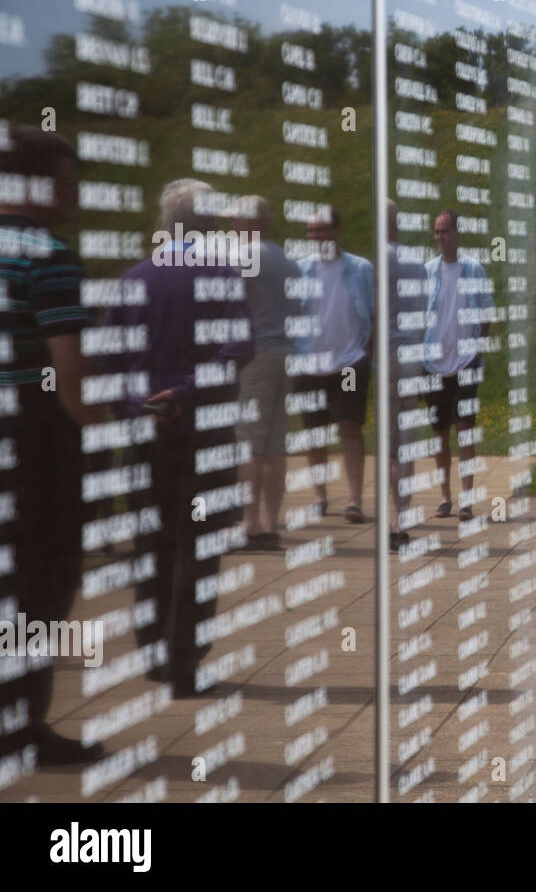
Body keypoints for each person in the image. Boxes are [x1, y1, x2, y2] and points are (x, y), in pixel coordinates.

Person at [107, 178, 252, 698]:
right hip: (202, 431)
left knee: (153, 543)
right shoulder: (221, 276)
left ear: (166, 225)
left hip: (145, 435)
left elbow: (108, 363)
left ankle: (153, 656)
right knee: (196, 545)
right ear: (210, 224)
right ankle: (184, 662)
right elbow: (238, 350)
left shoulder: (132, 279)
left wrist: (141, 406)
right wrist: (184, 395)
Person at [0, 127, 104, 765]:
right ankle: (21, 725)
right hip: (35, 442)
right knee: (42, 583)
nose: (73, 196)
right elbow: (69, 375)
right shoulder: (48, 254)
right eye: (67, 184)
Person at [293, 208, 374, 523]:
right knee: (314, 434)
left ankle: (354, 499)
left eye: (323, 230)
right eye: (312, 231)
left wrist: (365, 351)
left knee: (349, 427)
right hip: (308, 364)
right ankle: (319, 495)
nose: (317, 237)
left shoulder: (360, 269)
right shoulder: (299, 270)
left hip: (350, 364)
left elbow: (375, 313)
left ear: (338, 232)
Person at [231, 196, 297, 550]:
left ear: (247, 223)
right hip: (285, 352)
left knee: (250, 443)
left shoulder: (243, 257)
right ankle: (272, 523)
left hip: (254, 354)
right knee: (274, 443)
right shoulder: (288, 259)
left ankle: (250, 524)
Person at [423, 210, 494, 521]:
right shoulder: (427, 271)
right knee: (439, 434)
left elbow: (486, 314)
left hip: (465, 360)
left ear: (457, 234)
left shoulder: (473, 269)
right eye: (437, 233)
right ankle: (444, 496)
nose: (440, 238)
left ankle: (466, 498)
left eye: (445, 232)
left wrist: (476, 350)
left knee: (465, 430)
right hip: (433, 363)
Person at [386, 200, 434, 550]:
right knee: (406, 441)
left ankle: (392, 521)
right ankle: (402, 517)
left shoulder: (379, 260)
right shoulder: (417, 262)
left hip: (388, 354)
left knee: (390, 446)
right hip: (413, 356)